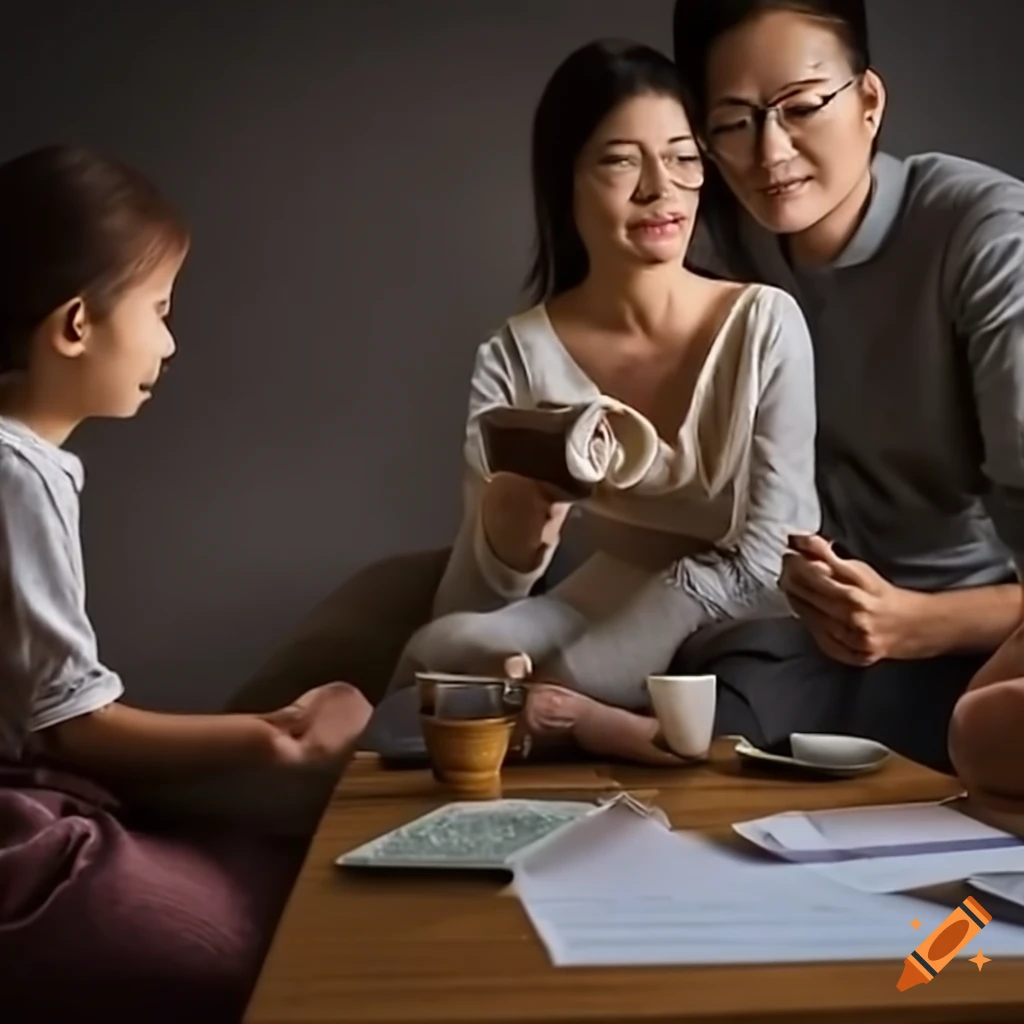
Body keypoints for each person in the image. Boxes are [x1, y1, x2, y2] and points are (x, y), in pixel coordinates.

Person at [0, 145, 371, 1020]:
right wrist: (277, 737)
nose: (169, 340)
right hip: (19, 841)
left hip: (37, 804)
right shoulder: (15, 475)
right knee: (258, 938)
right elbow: (70, 731)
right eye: (160, 310)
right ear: (76, 324)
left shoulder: (31, 465)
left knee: (272, 872)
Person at [387, 39, 819, 764]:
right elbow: (467, 609)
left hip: (748, 606)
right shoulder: (515, 353)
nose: (662, 190)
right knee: (443, 648)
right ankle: (568, 721)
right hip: (606, 593)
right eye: (622, 161)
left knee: (540, 684)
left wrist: (561, 685)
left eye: (684, 157)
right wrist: (513, 525)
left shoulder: (764, 322)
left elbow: (774, 552)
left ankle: (575, 716)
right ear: (566, 180)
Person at [668, 0, 1024, 772]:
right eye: (734, 121)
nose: (769, 151)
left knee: (958, 874)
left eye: (801, 107)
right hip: (793, 633)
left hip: (978, 638)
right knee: (672, 769)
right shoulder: (719, 246)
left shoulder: (984, 236)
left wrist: (916, 622)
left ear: (868, 101)